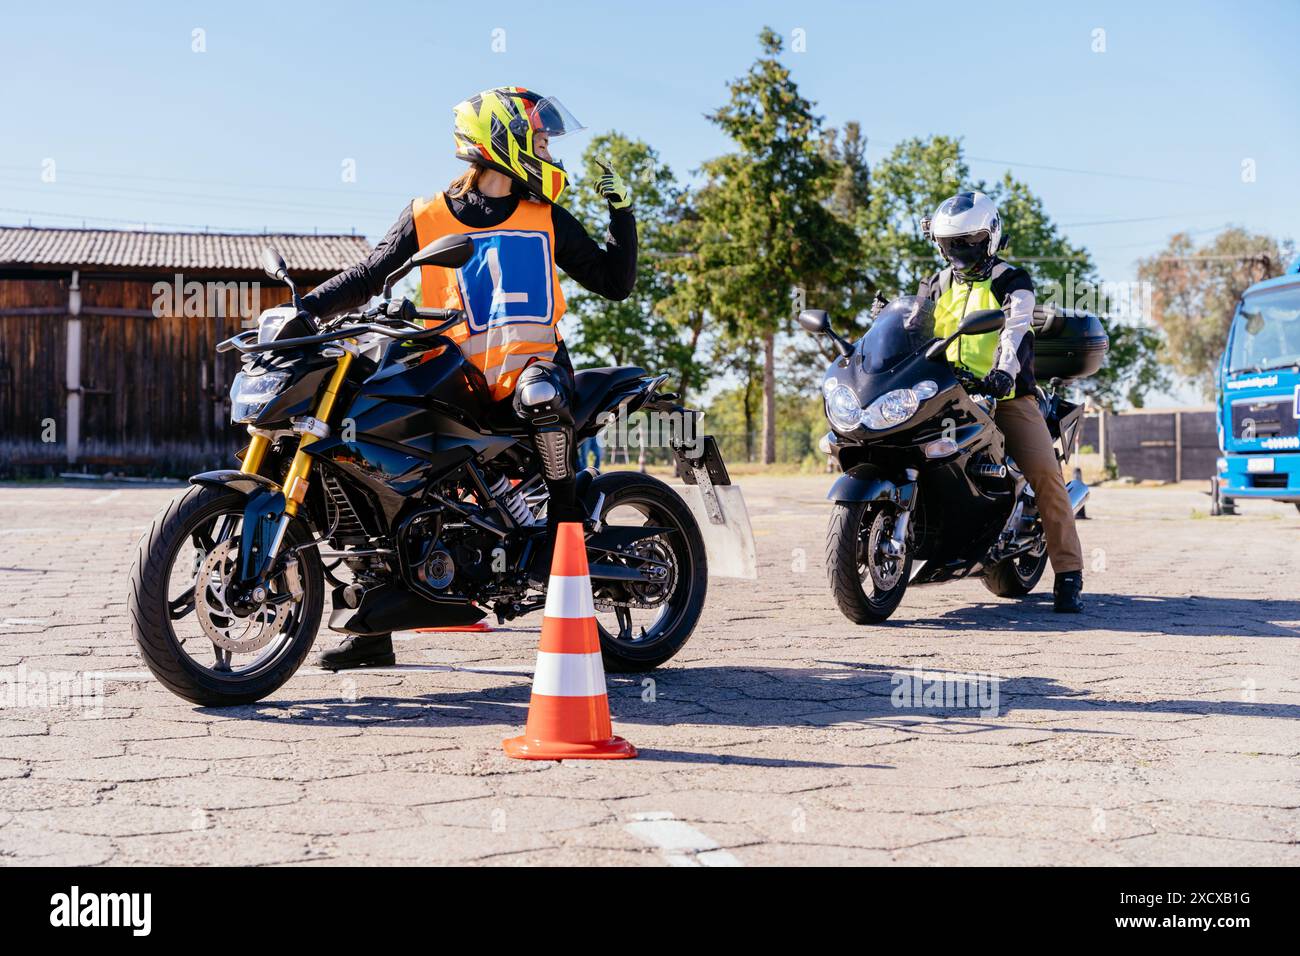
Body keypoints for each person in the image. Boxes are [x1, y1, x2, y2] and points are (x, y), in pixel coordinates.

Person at [302, 87, 637, 669]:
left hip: (533, 377)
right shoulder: (427, 215)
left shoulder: (546, 215)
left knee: (538, 394)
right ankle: (373, 622)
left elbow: (614, 281)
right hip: (455, 379)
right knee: (358, 436)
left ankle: (566, 543)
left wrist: (621, 212)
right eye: (539, 138)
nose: (549, 149)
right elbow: (368, 274)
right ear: (501, 140)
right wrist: (304, 311)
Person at [917, 191, 1084, 613]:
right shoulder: (936, 283)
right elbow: (912, 325)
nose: (958, 250)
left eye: (967, 241)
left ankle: (1068, 573)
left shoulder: (1013, 280)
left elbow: (1015, 327)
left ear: (989, 238)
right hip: (944, 393)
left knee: (1045, 473)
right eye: (949, 242)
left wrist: (1002, 374)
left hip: (1004, 394)